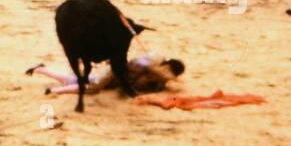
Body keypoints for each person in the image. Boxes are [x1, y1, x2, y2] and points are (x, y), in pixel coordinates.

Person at [27, 55, 185, 96]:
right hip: (114, 70)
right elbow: (139, 64)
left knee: (77, 80)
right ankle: (54, 91)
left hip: (116, 79)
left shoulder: (160, 81)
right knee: (93, 87)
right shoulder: (153, 60)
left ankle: (41, 70)